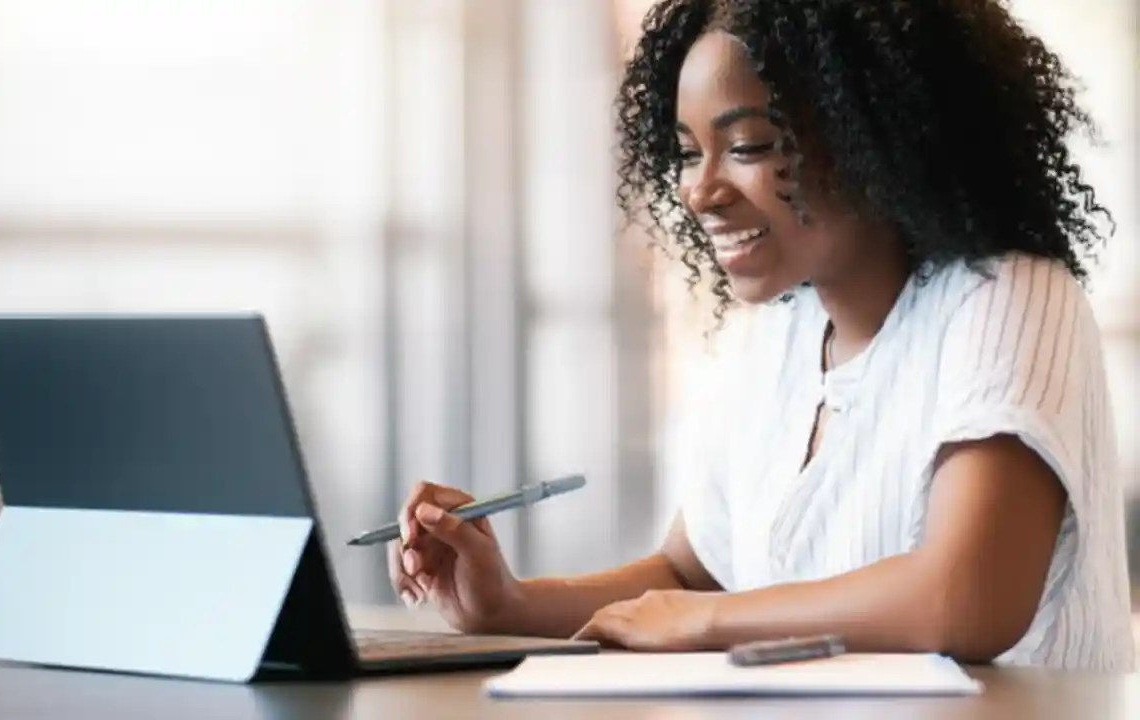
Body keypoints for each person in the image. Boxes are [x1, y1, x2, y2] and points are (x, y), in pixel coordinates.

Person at [386, 0, 1134, 671]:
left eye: (746, 146)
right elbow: (690, 575)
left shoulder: (1005, 296)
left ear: (875, 134)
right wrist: (508, 604)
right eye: (688, 152)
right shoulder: (778, 335)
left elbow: (968, 597)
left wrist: (704, 622)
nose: (700, 190)